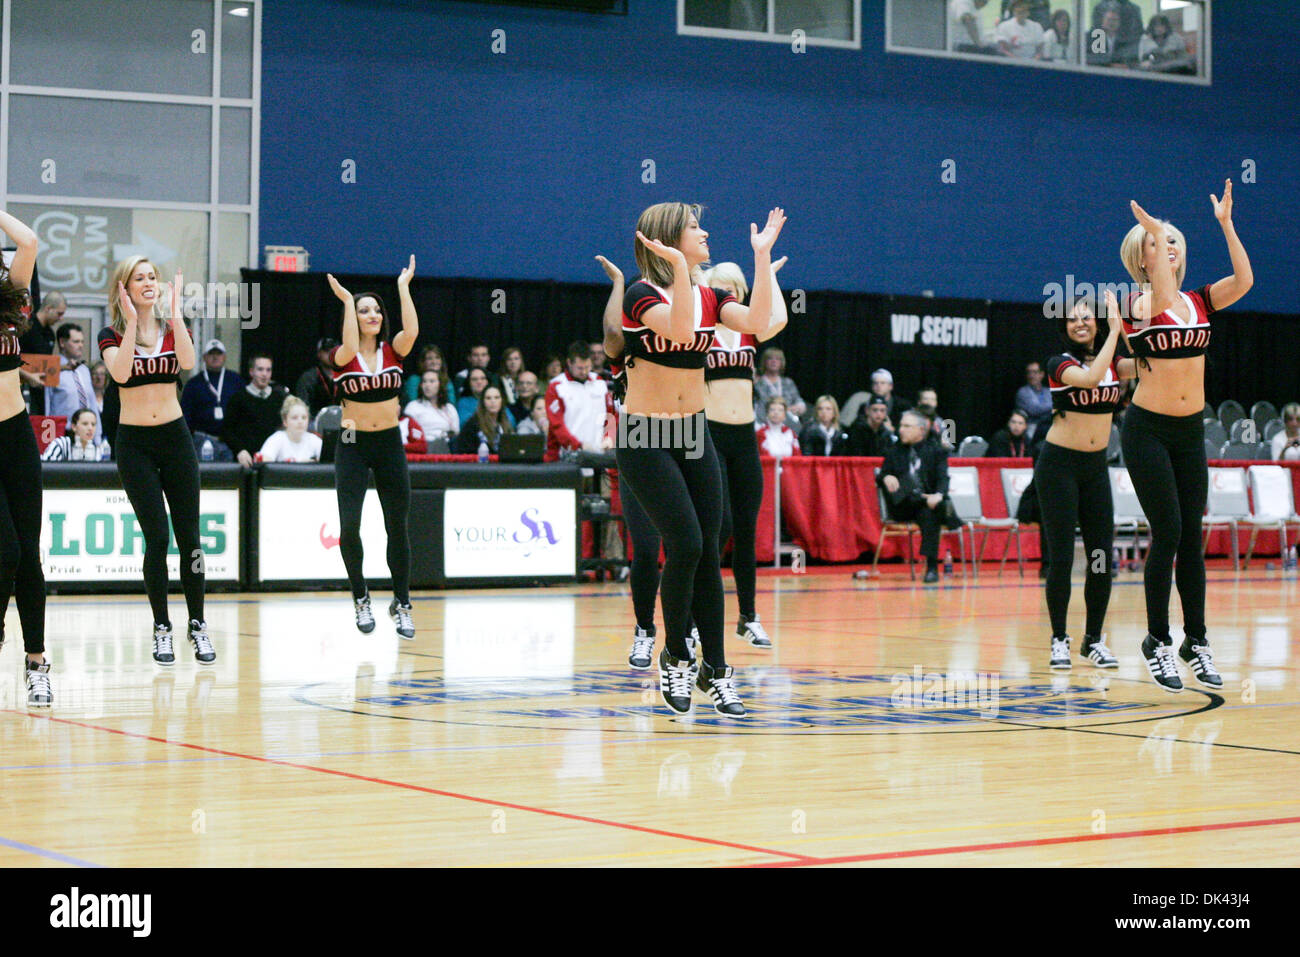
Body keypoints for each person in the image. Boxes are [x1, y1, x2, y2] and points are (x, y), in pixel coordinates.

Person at [617, 202, 784, 718]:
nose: (706, 231)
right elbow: (683, 332)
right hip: (645, 435)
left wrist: (761, 258)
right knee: (686, 542)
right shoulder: (640, 295)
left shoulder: (713, 295)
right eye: (694, 227)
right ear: (666, 238)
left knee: (709, 548)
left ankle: (715, 668)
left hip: (695, 432)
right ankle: (674, 654)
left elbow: (765, 323)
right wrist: (680, 273)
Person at [1119, 184, 1252, 692]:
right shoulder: (1138, 302)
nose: (1167, 245)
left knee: (1192, 540)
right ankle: (1157, 640)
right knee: (1169, 531)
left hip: (1188, 431)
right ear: (1140, 255)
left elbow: (1245, 278)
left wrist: (1225, 225)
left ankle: (1196, 641)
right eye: (1156, 241)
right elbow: (1162, 295)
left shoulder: (1200, 301)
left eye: (1172, 239)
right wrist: (1152, 234)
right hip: (1147, 432)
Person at [99, 256, 213, 666]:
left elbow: (186, 363)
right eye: (138, 278)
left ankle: (197, 623)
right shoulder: (110, 334)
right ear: (124, 289)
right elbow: (122, 375)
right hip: (134, 446)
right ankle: (161, 625)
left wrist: (176, 314)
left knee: (191, 539)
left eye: (152, 277)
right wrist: (132, 324)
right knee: (158, 539)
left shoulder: (170, 328)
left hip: (175, 439)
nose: (148, 283)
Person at [1037, 291, 1135, 671]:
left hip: (1095, 469)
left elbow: (1145, 366)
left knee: (1099, 559)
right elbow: (1091, 380)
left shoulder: (1115, 361)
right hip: (1058, 468)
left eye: (1086, 317)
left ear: (1096, 321)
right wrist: (1114, 329)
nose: (1080, 323)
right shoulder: (1058, 363)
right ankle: (1059, 638)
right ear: (1064, 327)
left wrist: (1126, 327)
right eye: (1072, 319)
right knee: (1062, 559)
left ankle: (1093, 639)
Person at [325, 258, 419, 640]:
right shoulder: (342, 356)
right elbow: (349, 342)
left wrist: (403, 286)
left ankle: (403, 602)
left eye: (376, 309)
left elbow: (411, 329)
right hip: (351, 441)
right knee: (350, 525)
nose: (372, 315)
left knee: (396, 524)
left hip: (389, 441)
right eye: (365, 310)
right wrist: (347, 301)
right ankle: (360, 596)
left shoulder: (394, 350)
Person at [701, 258, 788, 652]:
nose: (727, 295)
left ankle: (748, 617)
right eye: (720, 288)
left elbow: (779, 318)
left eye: (734, 288)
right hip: (709, 437)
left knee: (747, 531)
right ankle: (695, 616)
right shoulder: (700, 331)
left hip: (744, 438)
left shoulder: (749, 332)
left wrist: (767, 270)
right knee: (718, 527)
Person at [0, 208, 52, 706]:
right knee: (5, 552)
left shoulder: (10, 300)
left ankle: (36, 661)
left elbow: (30, 241)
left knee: (29, 556)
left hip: (16, 434)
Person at [876, 410, 963, 582]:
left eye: (907, 426)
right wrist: (886, 476)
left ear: (921, 430)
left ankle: (932, 568)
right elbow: (880, 475)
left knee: (929, 513)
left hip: (926, 505)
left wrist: (938, 495)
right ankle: (950, 515)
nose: (901, 430)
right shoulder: (895, 451)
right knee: (932, 508)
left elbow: (943, 478)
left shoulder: (936, 451)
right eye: (901, 426)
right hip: (903, 504)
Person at [543, 340, 609, 463]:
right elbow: (557, 425)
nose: (584, 372)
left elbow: (610, 414)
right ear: (569, 363)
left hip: (599, 455)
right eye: (579, 368)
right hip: (568, 456)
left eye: (587, 367)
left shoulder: (599, 382)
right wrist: (577, 445)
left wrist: (609, 437)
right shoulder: (557, 386)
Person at [223, 353, 290, 469]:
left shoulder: (279, 398)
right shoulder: (238, 398)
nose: (264, 374)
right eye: (260, 369)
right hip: (246, 461)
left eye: (268, 370)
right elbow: (227, 431)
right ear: (251, 372)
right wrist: (240, 451)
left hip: (273, 462)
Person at [45, 322, 102, 442]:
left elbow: (92, 403)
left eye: (82, 341)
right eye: (76, 342)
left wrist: (97, 437)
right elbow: (47, 405)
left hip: (86, 434)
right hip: (62, 434)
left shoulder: (84, 370)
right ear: (62, 343)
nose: (81, 345)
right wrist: (48, 437)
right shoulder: (53, 369)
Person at [180, 339, 242, 447]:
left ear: (225, 357)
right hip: (200, 441)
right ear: (204, 357)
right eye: (211, 354)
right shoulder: (193, 384)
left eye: (219, 353)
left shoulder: (236, 381)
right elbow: (185, 417)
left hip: (230, 442)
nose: (215, 357)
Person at [16, 290, 64, 414]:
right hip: (19, 390)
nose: (61, 318)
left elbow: (45, 365)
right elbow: (11, 361)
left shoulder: (50, 335)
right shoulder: (26, 328)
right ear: (48, 308)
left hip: (41, 393)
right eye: (59, 314)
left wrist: (64, 367)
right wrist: (28, 377)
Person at [258, 395, 322, 463]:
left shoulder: (314, 439)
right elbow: (264, 461)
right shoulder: (277, 438)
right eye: (294, 418)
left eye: (304, 417)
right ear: (285, 421)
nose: (300, 422)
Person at [403, 369, 459, 447]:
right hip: (422, 448)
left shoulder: (449, 408)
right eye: (424, 381)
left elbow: (456, 433)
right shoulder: (412, 407)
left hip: (445, 448)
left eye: (432, 381)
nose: (427, 385)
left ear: (440, 384)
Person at [753, 346, 806, 428]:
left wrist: (798, 407)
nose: (774, 361)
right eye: (770, 358)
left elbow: (799, 401)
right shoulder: (757, 383)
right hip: (762, 424)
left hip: (787, 425)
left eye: (777, 359)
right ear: (764, 362)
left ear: (782, 363)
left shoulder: (788, 383)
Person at [456, 384, 514, 455]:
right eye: (488, 398)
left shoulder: (506, 423)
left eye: (496, 397)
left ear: (502, 401)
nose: (493, 401)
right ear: (483, 402)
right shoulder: (473, 425)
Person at [41, 408, 111, 462]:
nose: (90, 428)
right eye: (85, 424)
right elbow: (45, 468)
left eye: (93, 424)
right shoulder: (61, 444)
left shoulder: (100, 450)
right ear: (74, 427)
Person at [294, 336, 339, 416]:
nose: (331, 354)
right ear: (319, 354)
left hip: (343, 423)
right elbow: (302, 408)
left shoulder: (345, 377)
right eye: (327, 351)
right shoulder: (308, 379)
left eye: (334, 351)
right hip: (314, 424)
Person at [1016, 360, 1053, 439]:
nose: (1031, 375)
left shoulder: (1048, 391)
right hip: (1031, 428)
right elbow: (1035, 409)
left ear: (1042, 374)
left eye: (1034, 372)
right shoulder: (1023, 392)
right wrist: (1054, 405)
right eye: (1029, 372)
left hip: (1050, 427)